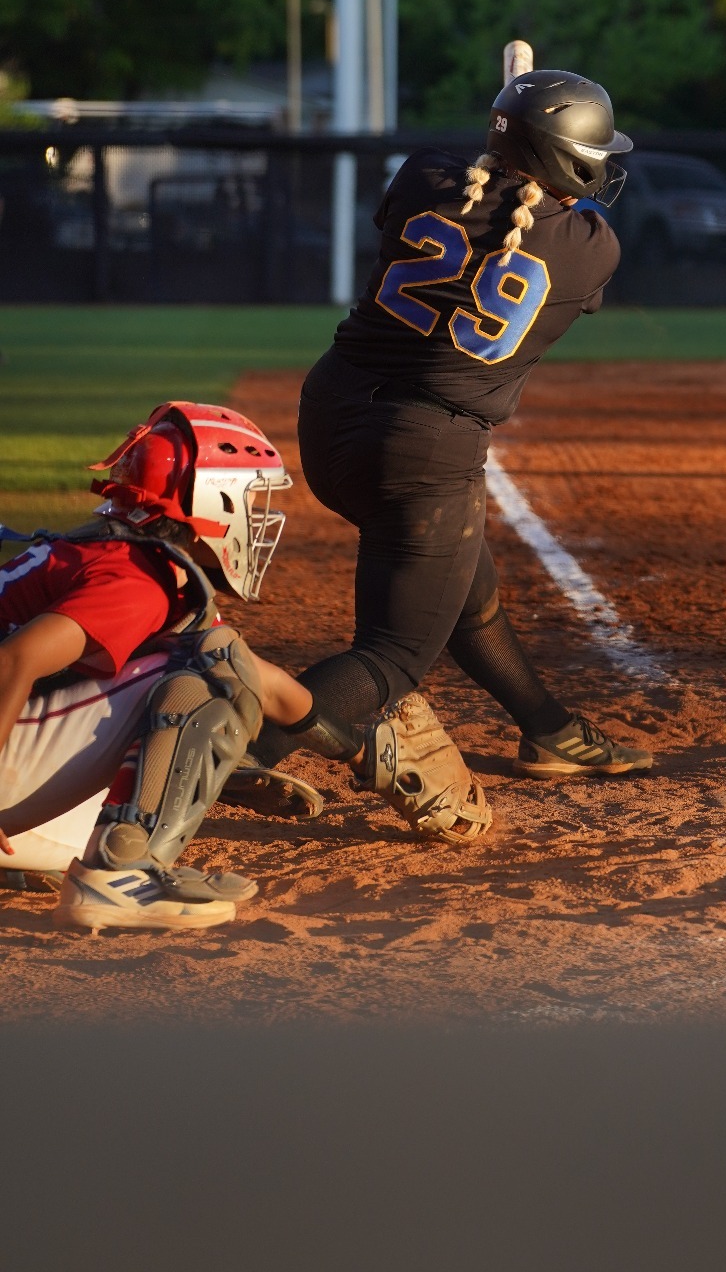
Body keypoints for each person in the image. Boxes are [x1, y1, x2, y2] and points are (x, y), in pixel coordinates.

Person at [249, 68, 654, 788]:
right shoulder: (592, 248)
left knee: (464, 587)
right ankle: (228, 756)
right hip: (422, 453)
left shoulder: (422, 177)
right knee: (392, 655)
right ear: (573, 158)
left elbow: (453, 214)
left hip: (331, 413)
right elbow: (531, 245)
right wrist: (512, 188)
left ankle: (548, 730)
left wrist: (494, 173)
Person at [0, 401, 308, 932]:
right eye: (250, 498)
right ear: (210, 499)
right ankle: (118, 877)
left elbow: (272, 685)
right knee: (210, 667)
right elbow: (14, 658)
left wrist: (361, 745)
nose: (257, 515)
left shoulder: (116, 548)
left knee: (205, 663)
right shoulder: (139, 580)